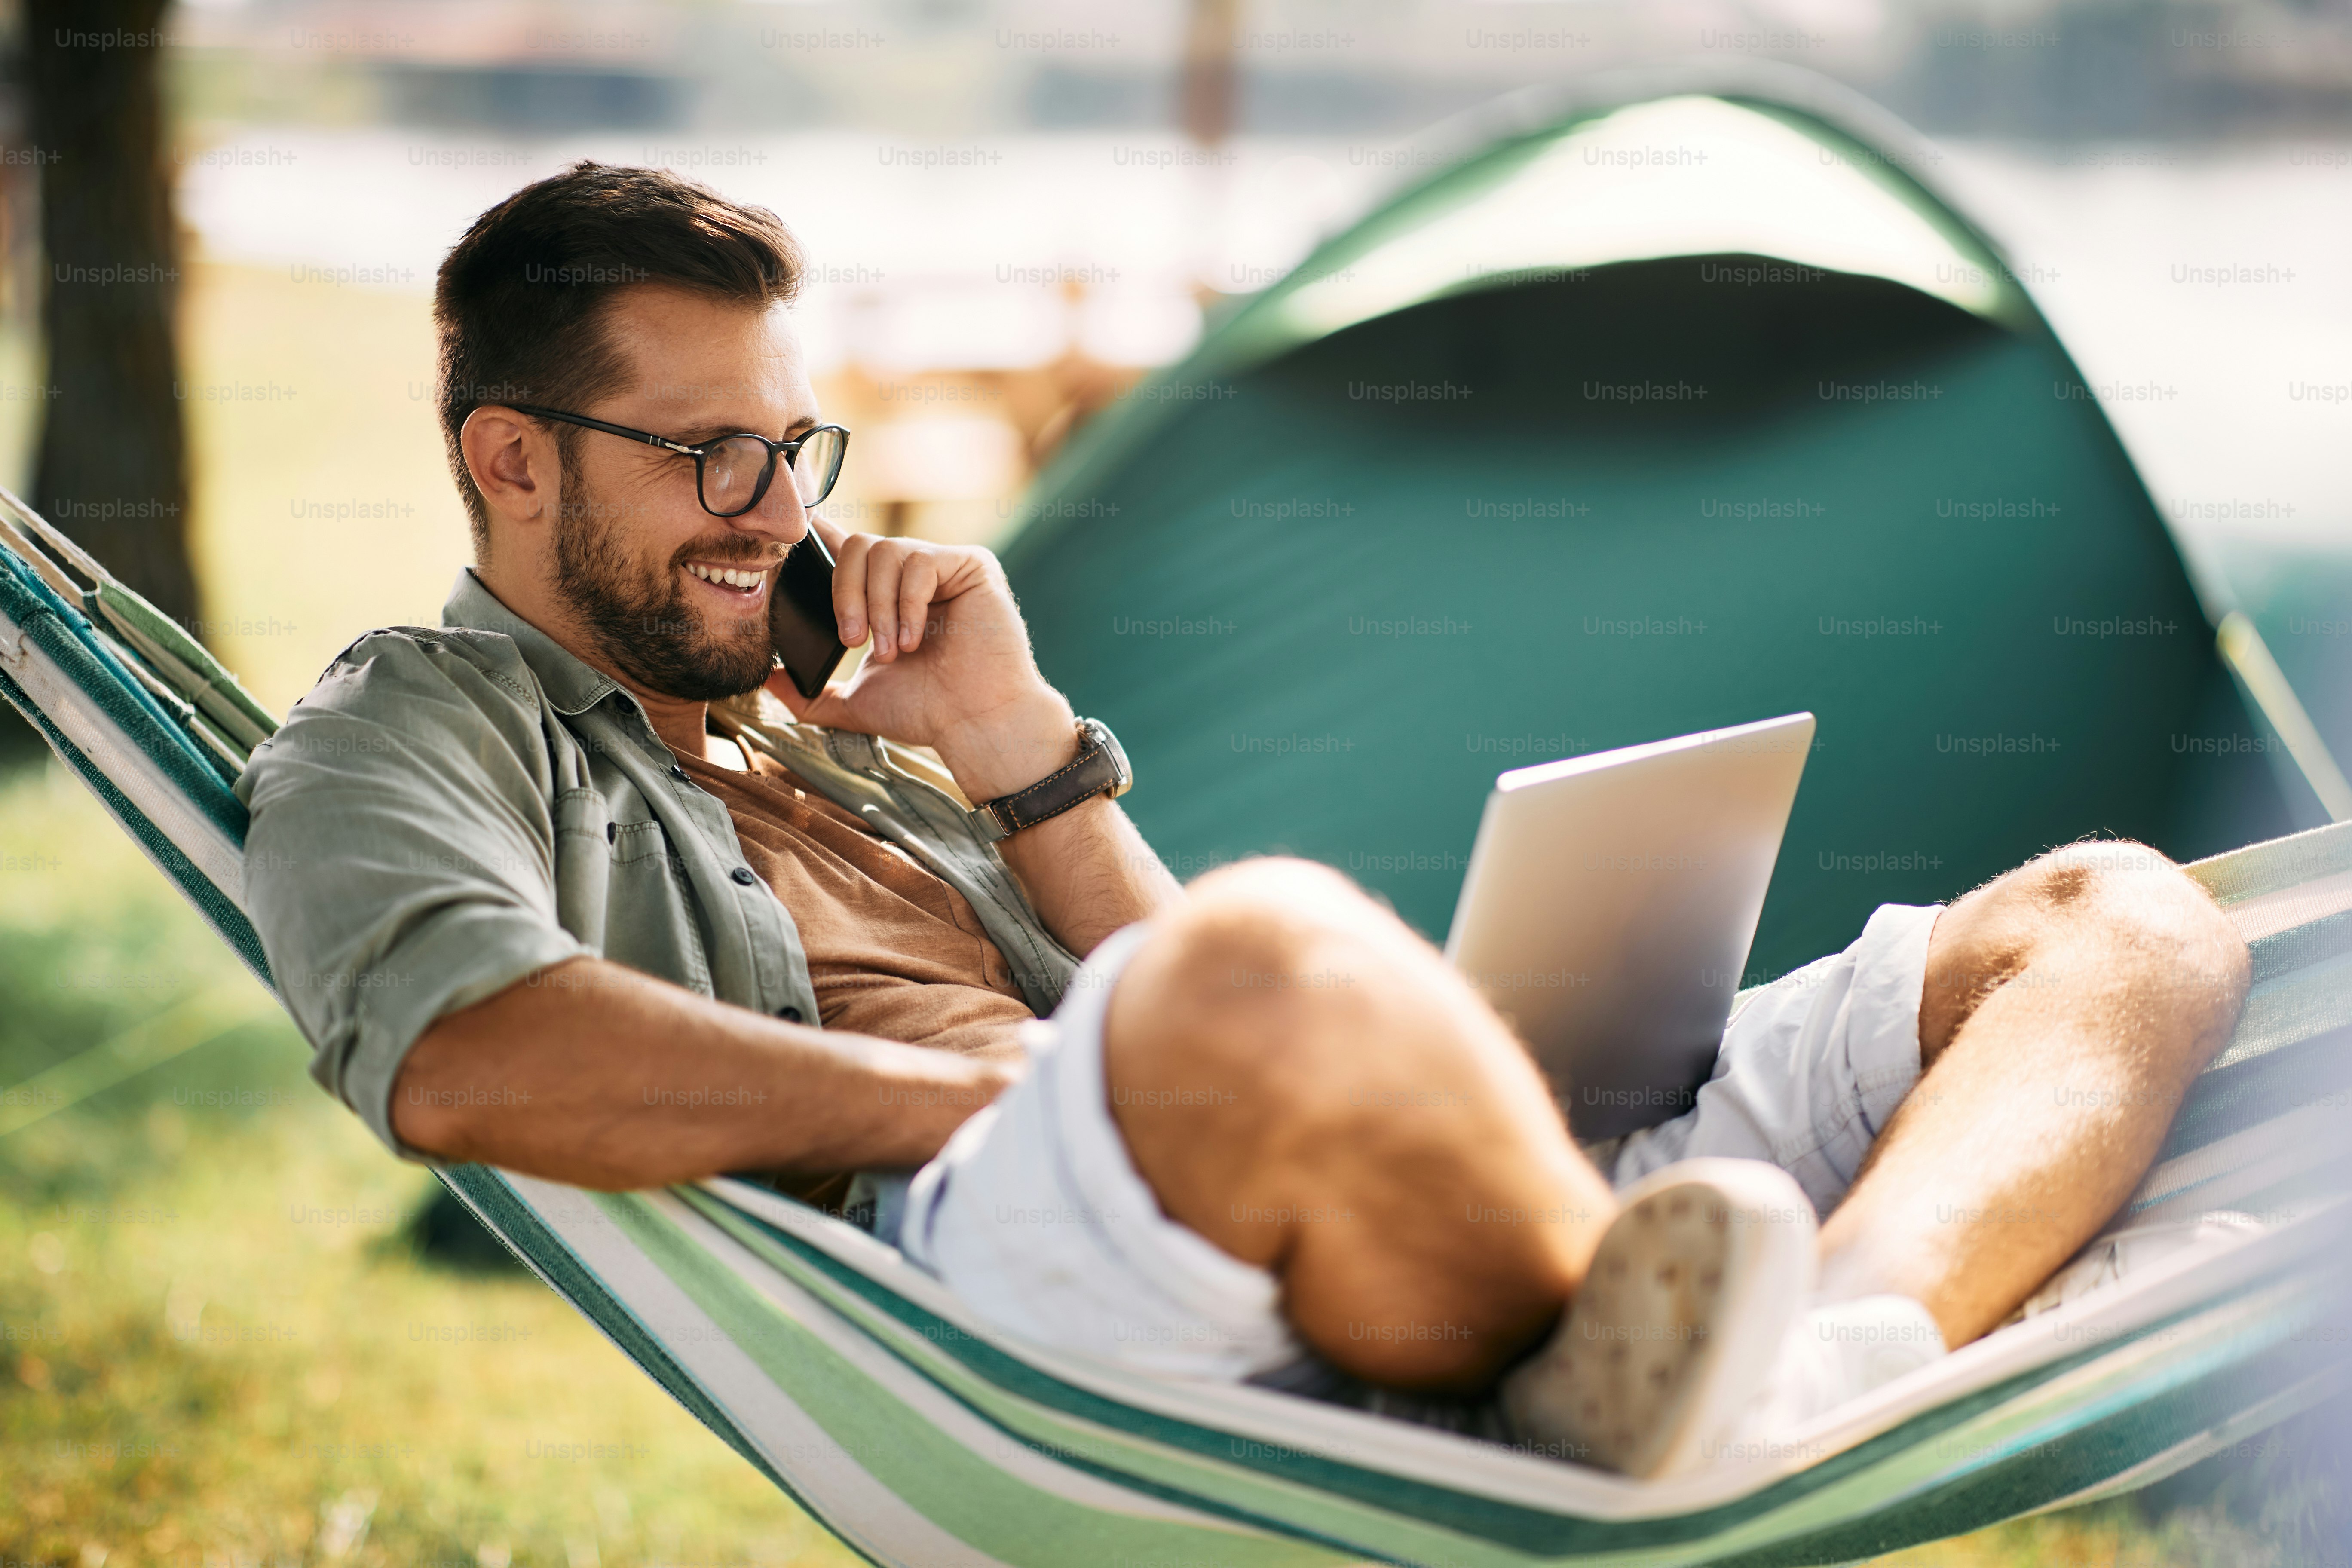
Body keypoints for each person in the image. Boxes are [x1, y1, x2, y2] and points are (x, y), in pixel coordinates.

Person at [237, 162, 2251, 1479]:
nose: (779, 511)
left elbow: (1169, 1007)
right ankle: (1723, 1338)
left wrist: (1017, 756)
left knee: (2119, 917)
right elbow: (467, 1051)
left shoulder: (829, 710)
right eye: (707, 457)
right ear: (509, 460)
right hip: (1016, 1258)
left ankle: (1790, 1364)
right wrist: (1001, 1106)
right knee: (1271, 953)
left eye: (790, 445)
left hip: (1302, 1180)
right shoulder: (407, 727)